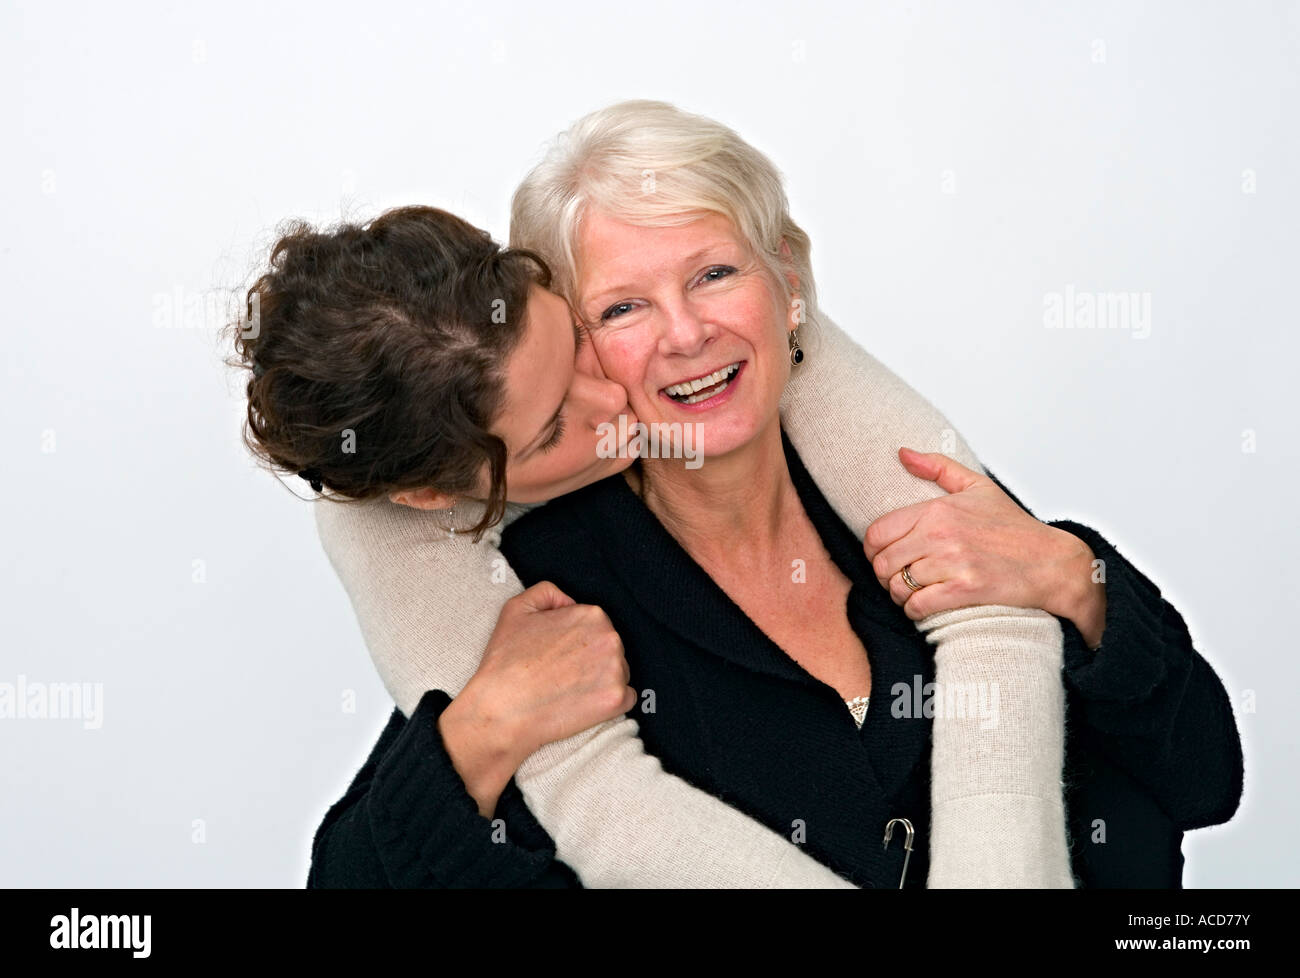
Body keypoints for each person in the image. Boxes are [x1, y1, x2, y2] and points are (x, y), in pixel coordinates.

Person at [238, 102, 1242, 887]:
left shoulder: (923, 494)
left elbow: (1206, 780)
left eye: (716, 274)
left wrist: (1081, 585)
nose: (681, 336)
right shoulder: (543, 621)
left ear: (787, 282)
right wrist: (476, 737)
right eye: (621, 308)